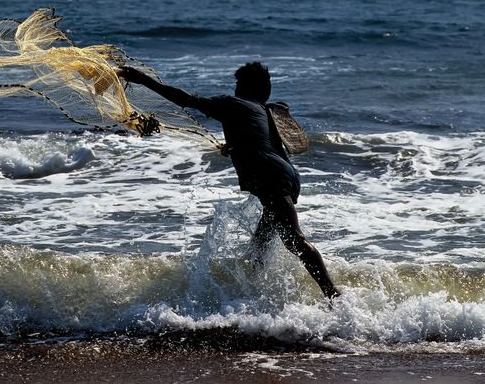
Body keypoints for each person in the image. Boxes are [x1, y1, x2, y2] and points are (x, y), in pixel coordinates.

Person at [117, 62, 340, 300]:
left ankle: (333, 295)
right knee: (260, 245)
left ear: (242, 86)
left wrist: (145, 80)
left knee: (294, 240)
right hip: (289, 176)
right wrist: (234, 146)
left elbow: (186, 100)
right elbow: (263, 139)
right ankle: (254, 294)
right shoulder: (264, 110)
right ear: (266, 89)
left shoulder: (232, 104)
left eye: (237, 84)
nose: (235, 89)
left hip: (270, 176)